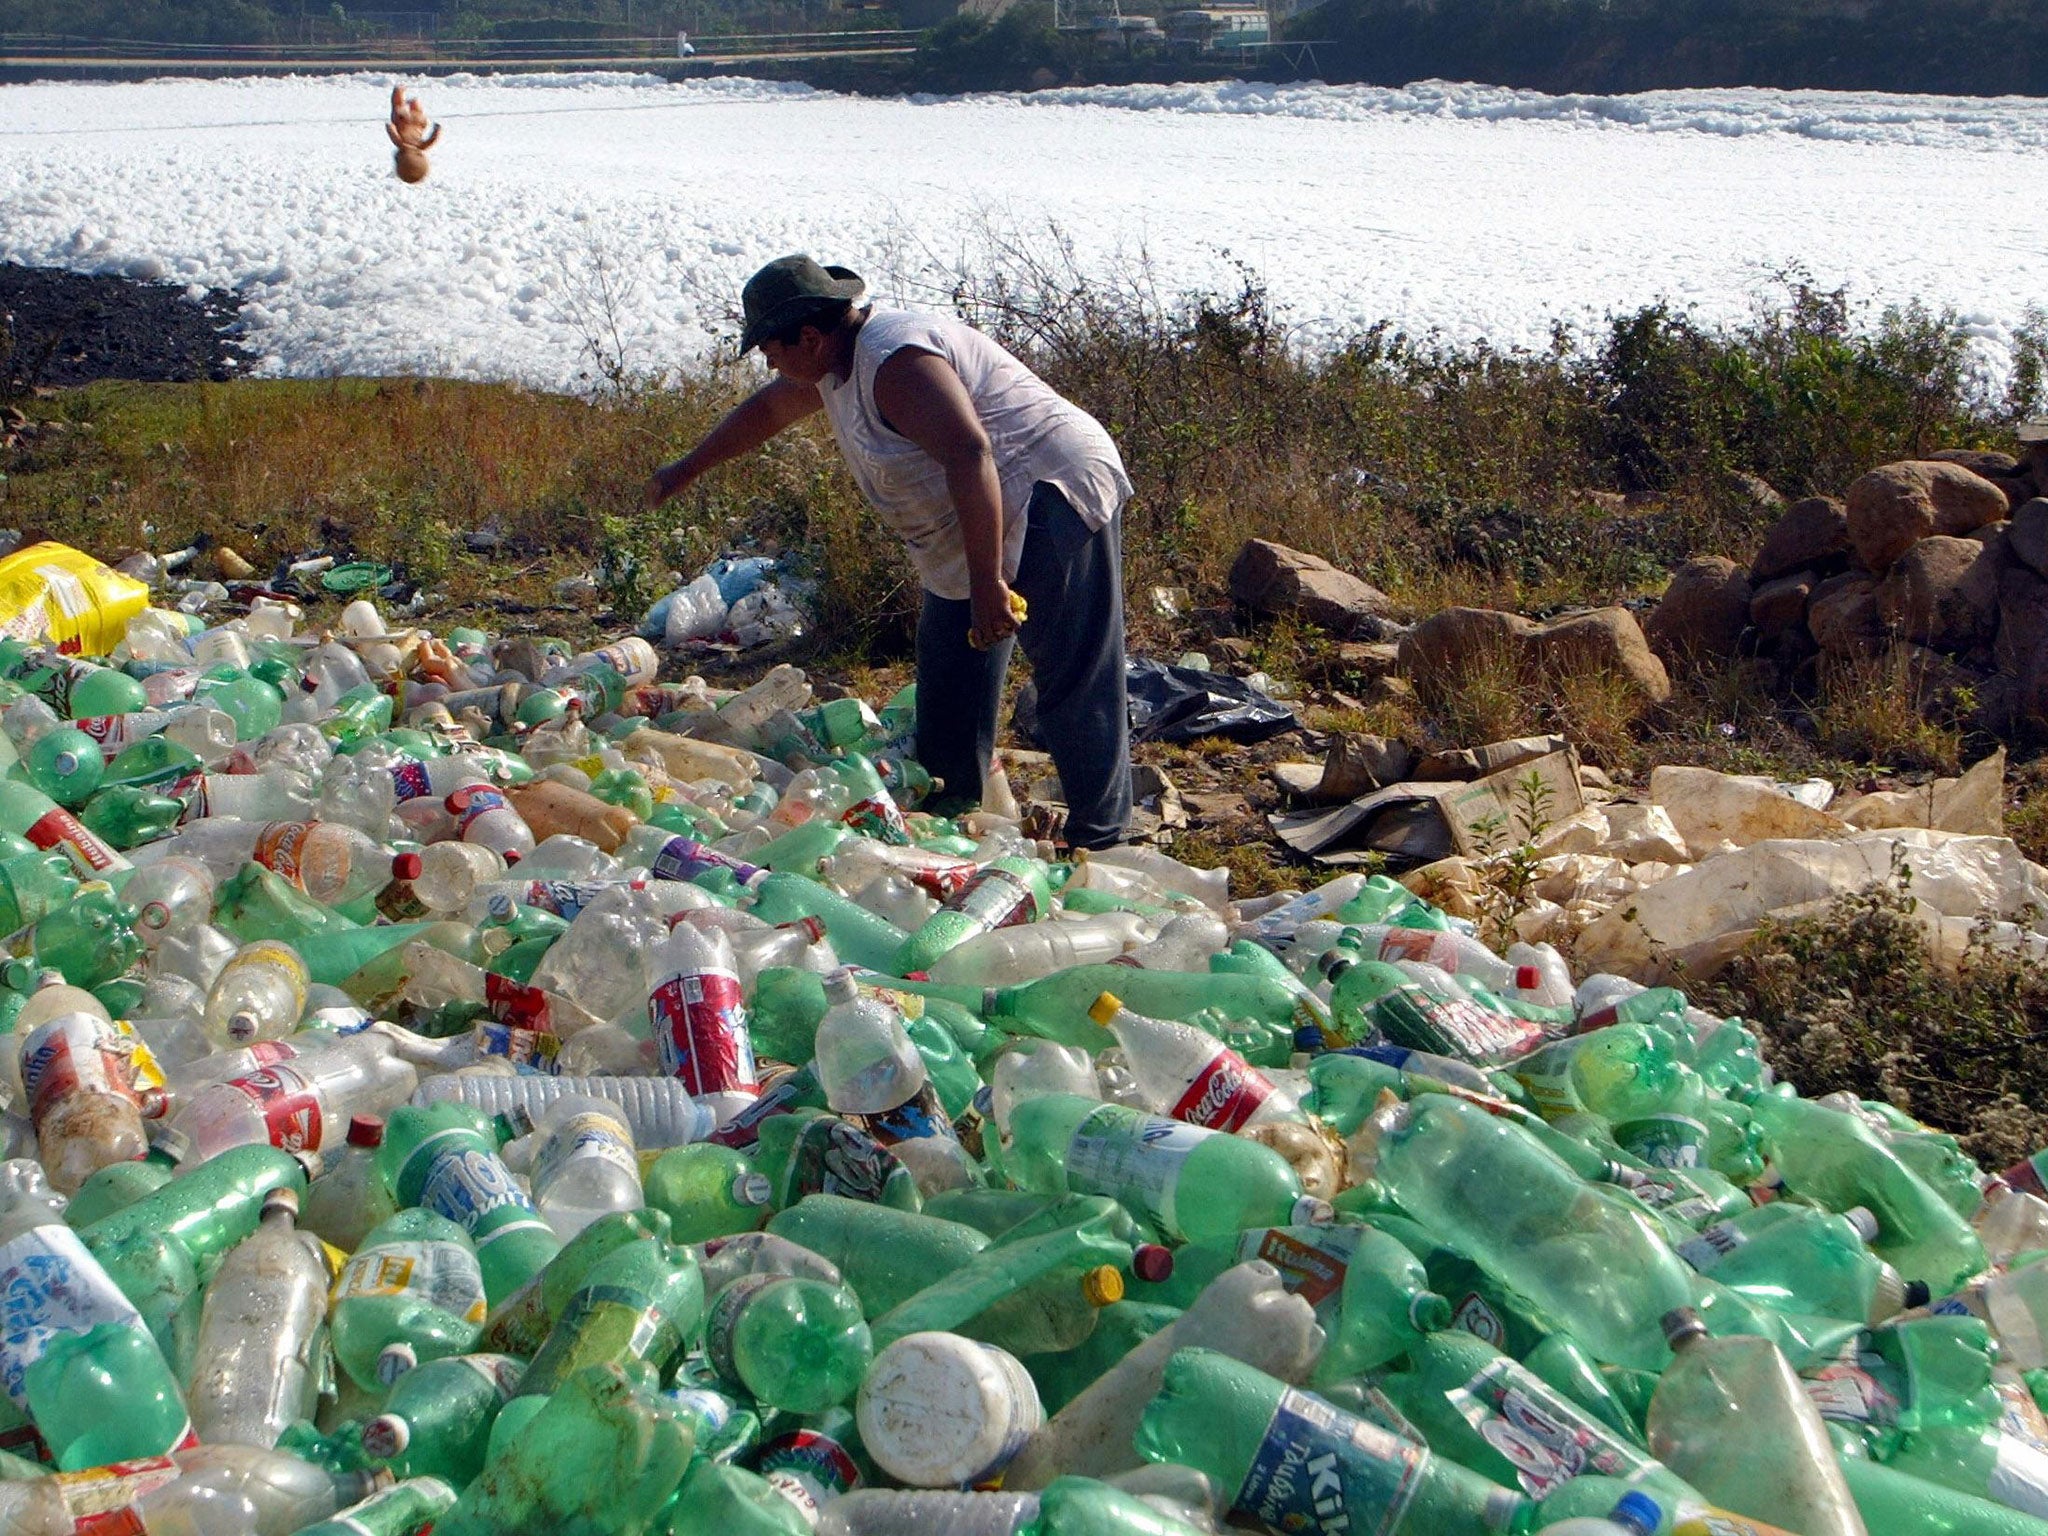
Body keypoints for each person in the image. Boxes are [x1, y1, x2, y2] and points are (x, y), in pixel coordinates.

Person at [646, 255, 1134, 850]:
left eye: (771, 349)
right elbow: (768, 411)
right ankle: (954, 818)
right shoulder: (829, 366)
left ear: (810, 335)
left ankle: (1103, 840)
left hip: (1044, 487)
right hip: (973, 517)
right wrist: (683, 471)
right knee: (950, 672)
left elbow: (969, 453)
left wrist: (988, 586)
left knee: (1070, 668)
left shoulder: (894, 361)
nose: (769, 363)